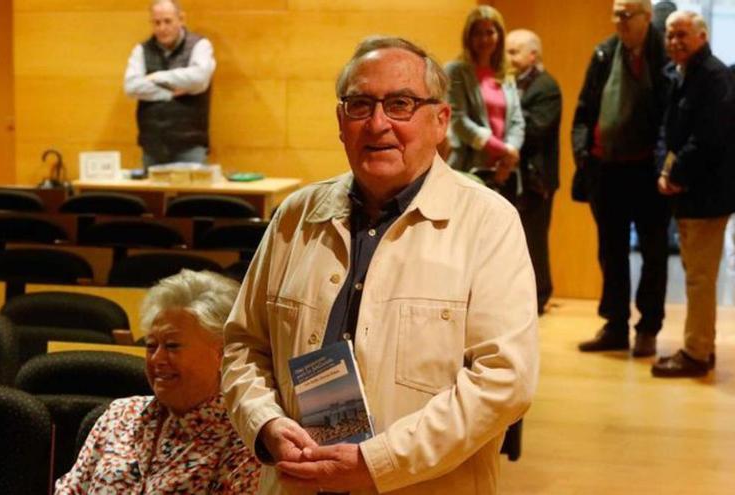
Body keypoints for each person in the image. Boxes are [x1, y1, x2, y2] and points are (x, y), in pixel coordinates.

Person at [221, 36, 538, 494]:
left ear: (441, 120)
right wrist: (265, 423)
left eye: (401, 104)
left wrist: (378, 463)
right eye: (360, 104)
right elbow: (243, 346)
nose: (377, 123)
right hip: (298, 481)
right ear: (340, 120)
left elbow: (504, 380)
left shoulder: (489, 223)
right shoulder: (295, 216)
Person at [56, 270, 259, 494]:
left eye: (172, 346)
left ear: (222, 354)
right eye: (151, 346)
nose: (157, 359)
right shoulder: (119, 415)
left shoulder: (244, 438)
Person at [572, 0, 670, 357]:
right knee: (610, 253)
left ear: (646, 17)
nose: (620, 21)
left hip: (648, 171)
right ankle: (614, 325)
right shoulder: (604, 53)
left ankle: (648, 327)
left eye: (628, 14)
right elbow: (584, 111)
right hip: (606, 169)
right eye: (616, 14)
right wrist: (583, 155)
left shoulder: (664, 54)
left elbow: (669, 114)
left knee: (654, 251)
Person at [651, 11, 735, 378]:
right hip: (686, 191)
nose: (674, 41)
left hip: (707, 195)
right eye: (670, 35)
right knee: (695, 275)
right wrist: (664, 171)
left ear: (702, 36)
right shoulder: (679, 74)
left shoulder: (713, 76)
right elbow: (668, 133)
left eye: (682, 34)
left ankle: (696, 353)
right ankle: (702, 344)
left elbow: (709, 140)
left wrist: (675, 173)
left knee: (699, 278)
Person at [505, 29, 562, 315]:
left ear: (532, 54)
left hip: (536, 179)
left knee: (534, 238)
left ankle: (539, 295)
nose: (508, 57)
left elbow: (537, 128)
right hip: (516, 175)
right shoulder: (512, 84)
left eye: (514, 52)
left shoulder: (546, 86)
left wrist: (505, 118)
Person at [124, 0, 216, 170]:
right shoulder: (141, 50)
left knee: (192, 197)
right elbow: (131, 86)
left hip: (190, 147)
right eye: (156, 22)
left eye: (167, 21)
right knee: (151, 197)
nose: (162, 28)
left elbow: (199, 79)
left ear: (181, 19)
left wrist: (156, 77)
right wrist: (170, 92)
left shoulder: (200, 45)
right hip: (152, 148)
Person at [445, 5, 525, 201]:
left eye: (490, 32)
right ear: (468, 37)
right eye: (478, 33)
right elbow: (458, 120)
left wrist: (510, 154)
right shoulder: (456, 71)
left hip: (503, 169)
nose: (484, 39)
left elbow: (517, 121)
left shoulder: (505, 76)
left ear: (499, 35)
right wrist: (502, 149)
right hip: (468, 166)